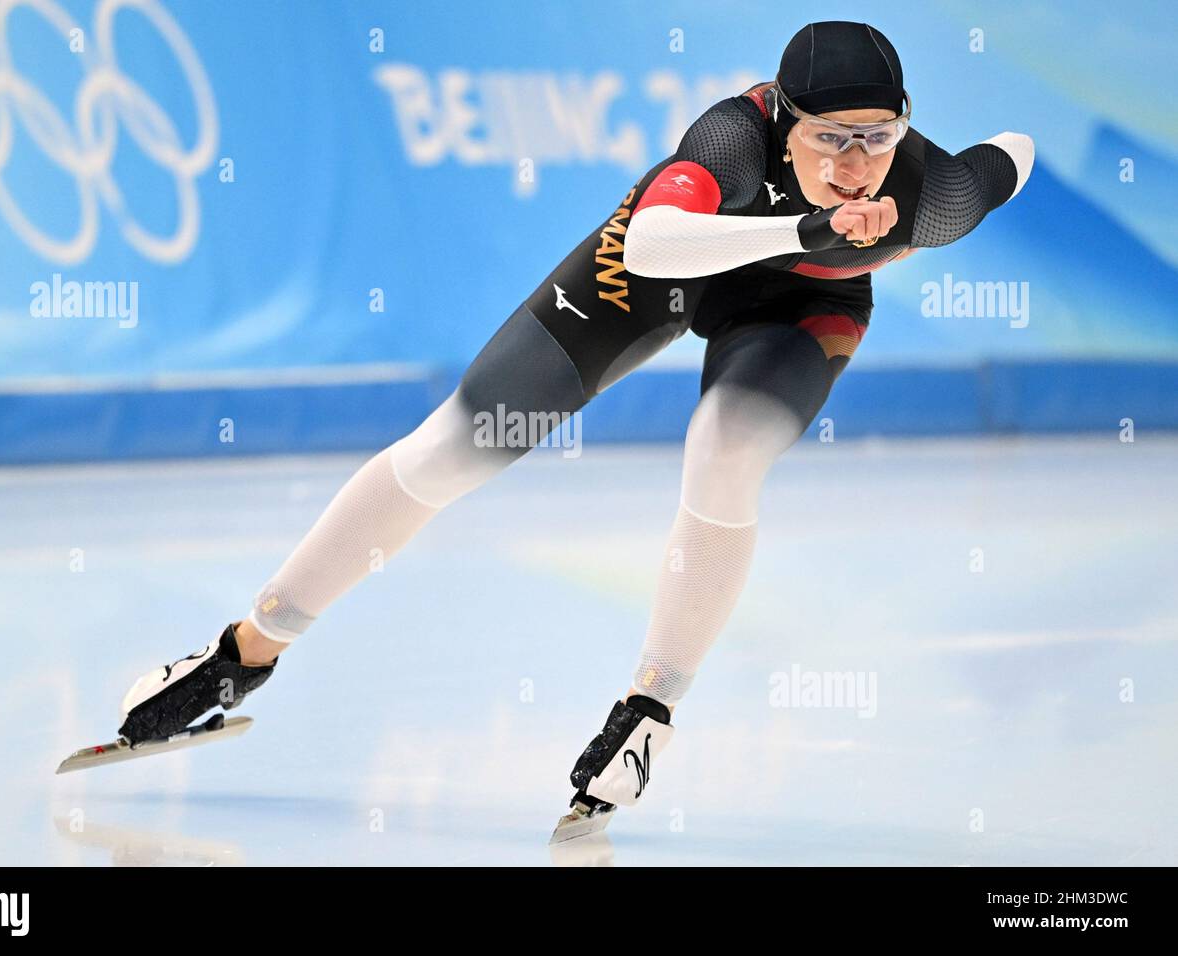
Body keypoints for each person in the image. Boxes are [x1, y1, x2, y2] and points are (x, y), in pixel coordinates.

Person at [117, 21, 1034, 826]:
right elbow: (650, 242)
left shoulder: (930, 194)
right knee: (455, 449)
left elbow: (1013, 152)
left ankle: (647, 713)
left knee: (723, 458)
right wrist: (806, 234)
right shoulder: (731, 137)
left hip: (796, 310)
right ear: (784, 119)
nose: (856, 163)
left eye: (878, 137)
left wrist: (876, 219)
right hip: (664, 262)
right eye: (831, 137)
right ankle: (249, 648)